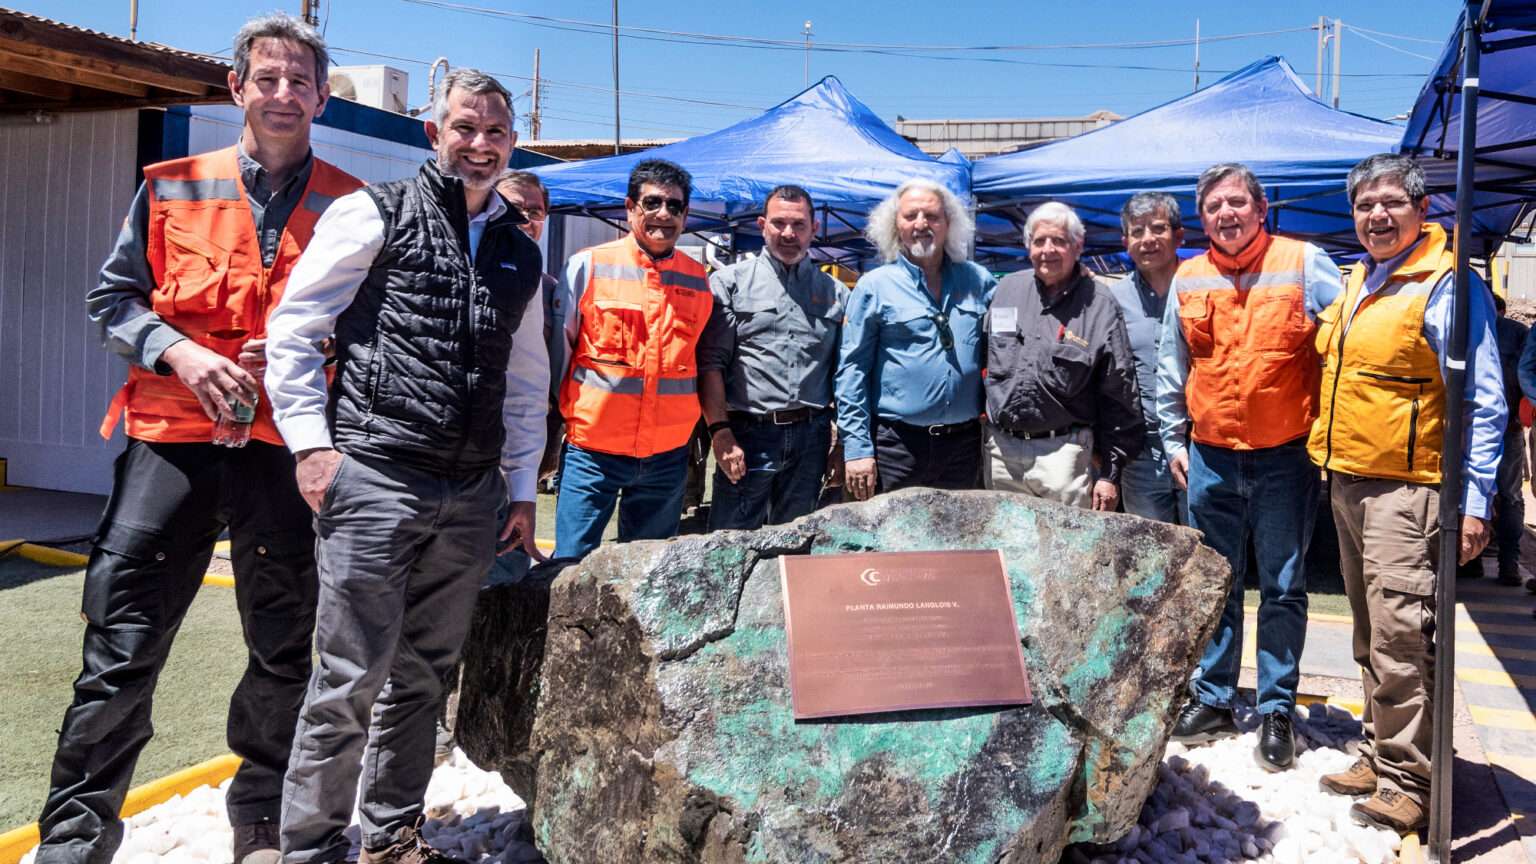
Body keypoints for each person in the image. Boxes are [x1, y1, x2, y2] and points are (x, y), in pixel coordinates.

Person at [38, 15, 360, 864]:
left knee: (284, 647)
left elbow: (367, 328)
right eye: (268, 78)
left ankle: (262, 814)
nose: (283, 94)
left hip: (284, 448)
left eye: (300, 81)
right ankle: (74, 838)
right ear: (236, 87)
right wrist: (180, 352)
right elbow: (112, 301)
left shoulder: (353, 204)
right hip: (171, 443)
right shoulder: (172, 186)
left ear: (322, 98)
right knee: (121, 647)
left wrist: (317, 349)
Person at [263, 68, 543, 863]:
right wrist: (311, 447)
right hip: (378, 477)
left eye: (495, 132)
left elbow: (527, 380)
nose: (480, 144)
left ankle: (391, 839)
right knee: (348, 679)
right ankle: (312, 849)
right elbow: (293, 330)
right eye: (465, 127)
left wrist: (521, 487)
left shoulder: (520, 251)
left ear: (512, 142)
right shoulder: (372, 212)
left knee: (423, 679)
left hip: (470, 493)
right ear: (433, 132)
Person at [1309, 153, 1503, 833]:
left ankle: (1410, 779)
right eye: (1365, 205)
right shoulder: (1360, 280)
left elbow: (1483, 399)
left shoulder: (1446, 286)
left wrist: (1475, 501)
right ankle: (1380, 751)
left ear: (1422, 209)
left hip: (1408, 489)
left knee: (1402, 635)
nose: (1377, 215)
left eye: (1391, 202)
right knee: (1370, 633)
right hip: (1350, 480)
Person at [1158, 162, 1342, 772]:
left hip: (1285, 456)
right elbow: (1171, 363)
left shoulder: (1303, 263)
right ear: (1202, 218)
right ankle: (1212, 698)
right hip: (1209, 456)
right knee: (1218, 581)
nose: (1226, 214)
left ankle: (1276, 708)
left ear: (1261, 210)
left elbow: (1345, 343)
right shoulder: (1189, 277)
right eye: (1213, 206)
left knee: (1284, 586)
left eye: (1236, 202)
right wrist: (1173, 440)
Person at [550, 159, 712, 559]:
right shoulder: (588, 266)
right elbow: (558, 358)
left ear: (686, 214)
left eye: (674, 206)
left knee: (649, 570)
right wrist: (551, 435)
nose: (663, 214)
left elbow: (699, 360)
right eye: (652, 203)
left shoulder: (698, 280)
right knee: (570, 563)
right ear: (629, 207)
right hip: (593, 452)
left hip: (667, 455)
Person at [697, 185, 847, 529]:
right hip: (748, 436)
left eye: (799, 224)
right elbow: (710, 364)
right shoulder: (728, 284)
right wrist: (720, 431)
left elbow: (844, 374)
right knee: (730, 541)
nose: (788, 233)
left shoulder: (835, 294)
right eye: (779, 223)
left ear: (814, 229)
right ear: (762, 225)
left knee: (795, 541)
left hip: (812, 438)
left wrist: (842, 444)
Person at [836, 179, 995, 500]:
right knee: (892, 534)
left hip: (964, 448)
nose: (921, 224)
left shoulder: (979, 281)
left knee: (958, 531)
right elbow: (852, 370)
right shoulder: (874, 286)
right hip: (896, 447)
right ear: (896, 225)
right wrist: (857, 448)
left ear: (949, 223)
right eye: (911, 216)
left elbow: (1020, 317)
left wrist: (1076, 278)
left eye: (932, 216)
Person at [982, 202, 1142, 509]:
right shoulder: (1006, 290)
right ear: (1028, 246)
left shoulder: (1099, 303)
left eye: (1059, 241)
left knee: (1067, 539)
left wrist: (1110, 471)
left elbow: (1119, 391)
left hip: (1063, 457)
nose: (1048, 250)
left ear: (1078, 246)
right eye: (1039, 241)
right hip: (1000, 454)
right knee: (1005, 538)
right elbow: (981, 360)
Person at [1110, 192, 1188, 522]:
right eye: (1137, 231)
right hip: (1140, 452)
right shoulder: (1113, 298)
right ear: (1125, 242)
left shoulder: (1201, 287)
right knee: (1149, 545)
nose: (1147, 239)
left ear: (1179, 236)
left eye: (1158, 228)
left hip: (1198, 447)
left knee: (1206, 544)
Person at [1491, 295, 1527, 585]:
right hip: (1508, 425)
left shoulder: (1462, 329)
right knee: (1510, 496)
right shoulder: (1518, 333)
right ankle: (1508, 564)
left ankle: (1470, 561)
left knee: (1468, 491)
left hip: (1474, 428)